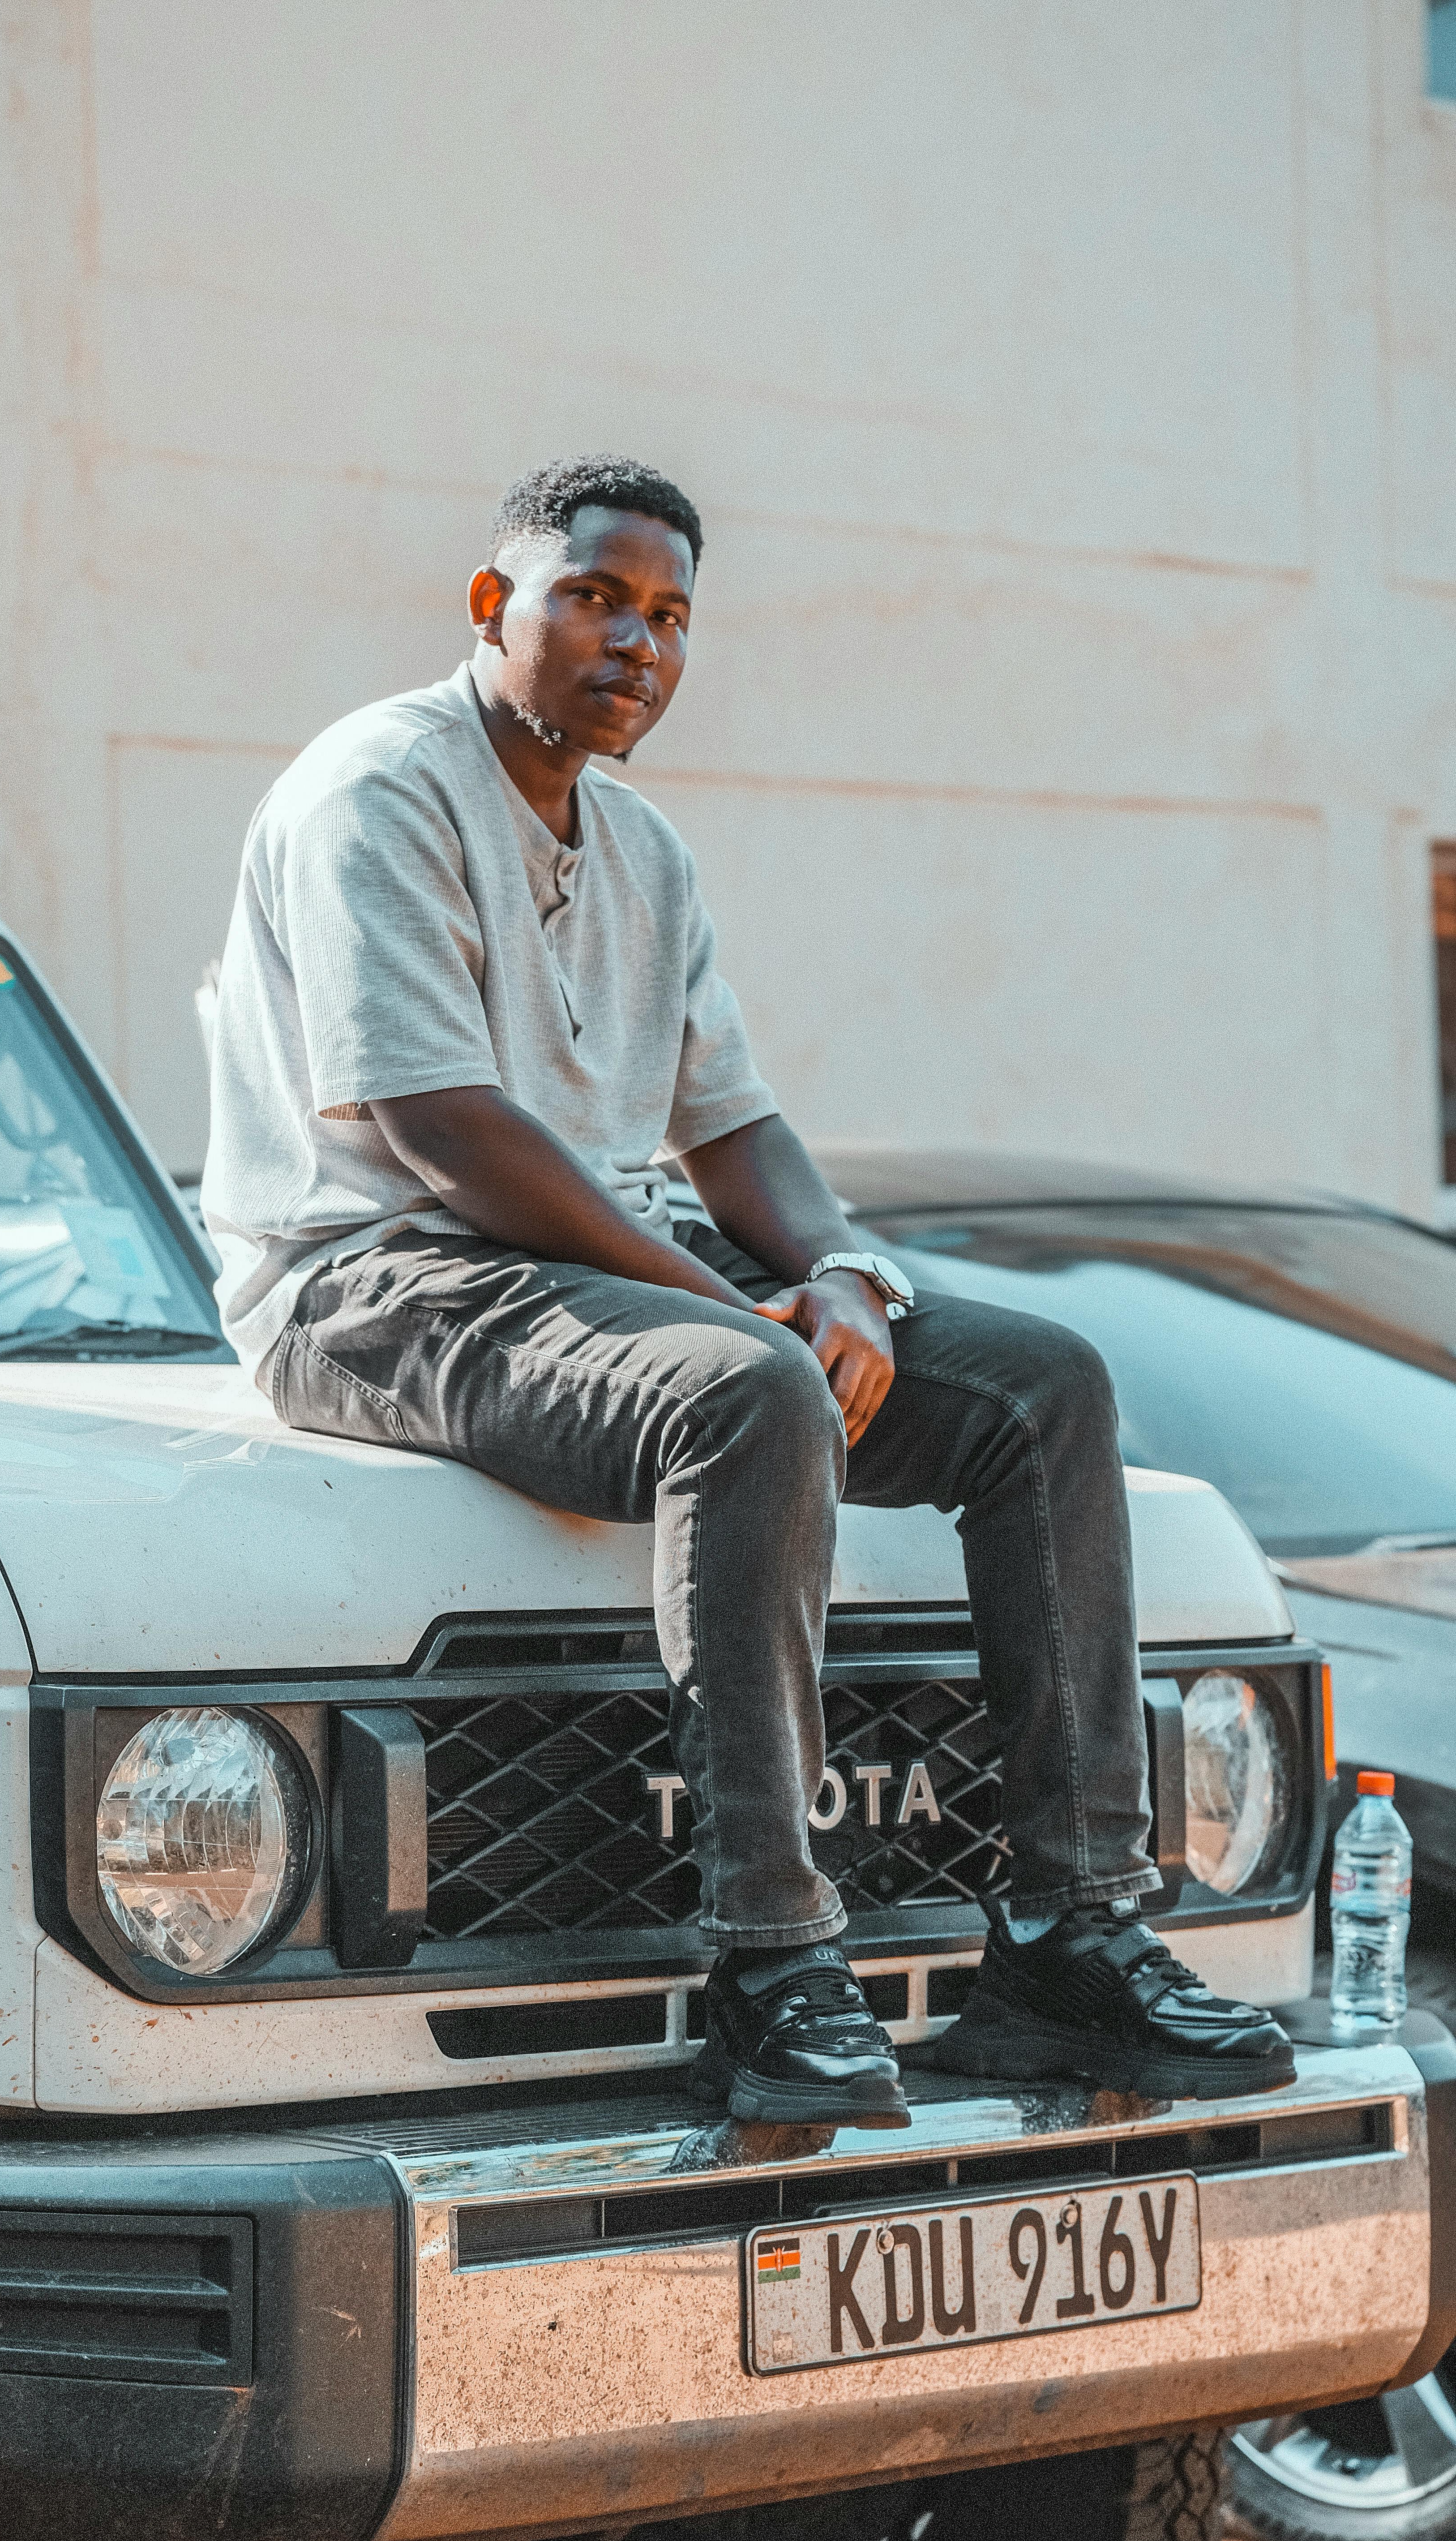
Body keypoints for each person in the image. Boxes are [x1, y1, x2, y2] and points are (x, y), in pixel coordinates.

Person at [201, 455, 1295, 2126]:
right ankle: (775, 1963)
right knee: (745, 1390)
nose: (634, 642)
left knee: (1041, 1384)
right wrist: (742, 1319)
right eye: (592, 597)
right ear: (494, 606)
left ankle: (1070, 1934)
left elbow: (737, 1128)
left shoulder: (645, 850)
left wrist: (844, 1274)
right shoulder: (381, 788)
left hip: (598, 1276)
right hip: (379, 1280)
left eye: (669, 616)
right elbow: (441, 1125)